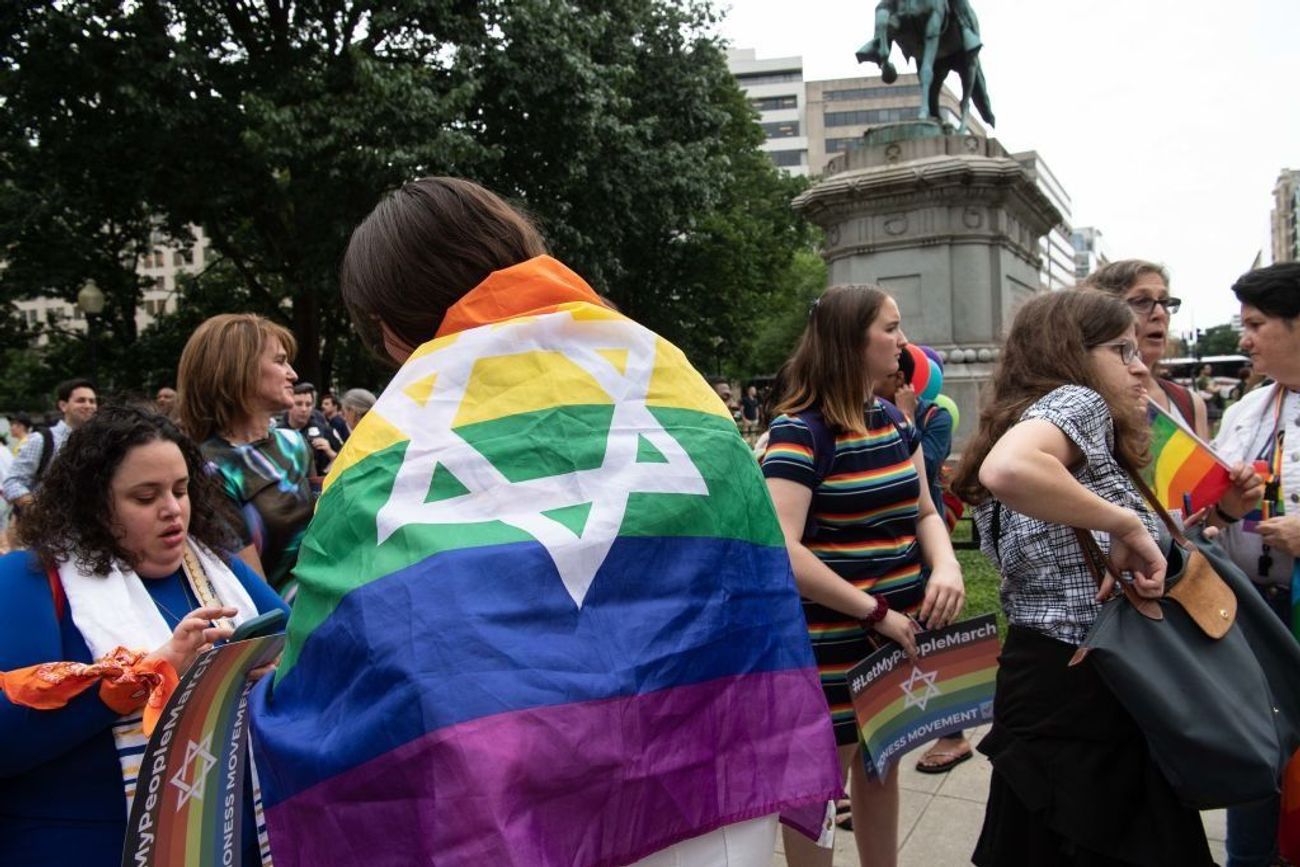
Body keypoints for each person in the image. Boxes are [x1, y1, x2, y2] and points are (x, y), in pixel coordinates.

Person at [248, 177, 840, 867]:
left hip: (506, 819)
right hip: (711, 787)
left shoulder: (378, 460)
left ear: (387, 331)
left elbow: (334, 679)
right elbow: (754, 589)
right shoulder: (675, 385)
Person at [951, 289, 1257, 866]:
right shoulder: (1075, 402)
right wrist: (1127, 526)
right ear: (1070, 351)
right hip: (1094, 686)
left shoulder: (1027, 418)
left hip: (1046, 676)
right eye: (1121, 349)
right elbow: (1010, 470)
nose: (1139, 364)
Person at [0, 404, 288, 866]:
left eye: (180, 489)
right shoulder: (29, 579)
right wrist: (146, 677)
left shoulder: (218, 568)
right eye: (145, 497)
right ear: (93, 503)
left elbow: (299, 648)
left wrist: (268, 667)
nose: (173, 510)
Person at [762, 284, 965, 867]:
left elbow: (925, 510)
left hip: (898, 638)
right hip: (832, 645)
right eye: (891, 328)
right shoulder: (799, 433)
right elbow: (784, 549)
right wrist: (875, 612)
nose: (903, 341)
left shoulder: (895, 424)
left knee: (884, 765)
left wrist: (946, 564)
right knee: (820, 789)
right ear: (851, 342)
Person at [1207, 262, 1300, 867]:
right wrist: (1223, 503)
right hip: (1249, 614)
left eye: (1256, 324)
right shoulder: (1246, 410)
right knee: (1254, 755)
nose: (1244, 338)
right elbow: (1206, 500)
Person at [875, 354, 970, 775]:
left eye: (895, 377)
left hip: (925, 543)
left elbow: (928, 465)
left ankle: (954, 735)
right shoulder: (870, 416)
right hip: (890, 547)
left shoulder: (933, 417)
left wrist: (908, 418)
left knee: (936, 631)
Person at [176, 314, 313, 594]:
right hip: (288, 622)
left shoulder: (294, 443)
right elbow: (256, 594)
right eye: (279, 361)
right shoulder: (210, 469)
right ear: (239, 370)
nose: (293, 374)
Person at [1084, 260, 1211, 439]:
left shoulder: (1189, 403)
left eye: (1165, 302)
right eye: (1142, 301)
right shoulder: (1079, 404)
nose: (1159, 313)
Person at [3, 378, 98, 517]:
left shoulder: (98, 443)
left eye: (92, 401)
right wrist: (38, 511)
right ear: (63, 405)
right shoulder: (42, 440)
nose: (88, 405)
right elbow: (12, 483)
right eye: (81, 400)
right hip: (46, 534)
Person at [280, 383, 342, 481]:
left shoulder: (326, 431)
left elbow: (344, 464)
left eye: (308, 404)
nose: (304, 409)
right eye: (299, 404)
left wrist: (331, 453)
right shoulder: (277, 432)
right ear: (289, 405)